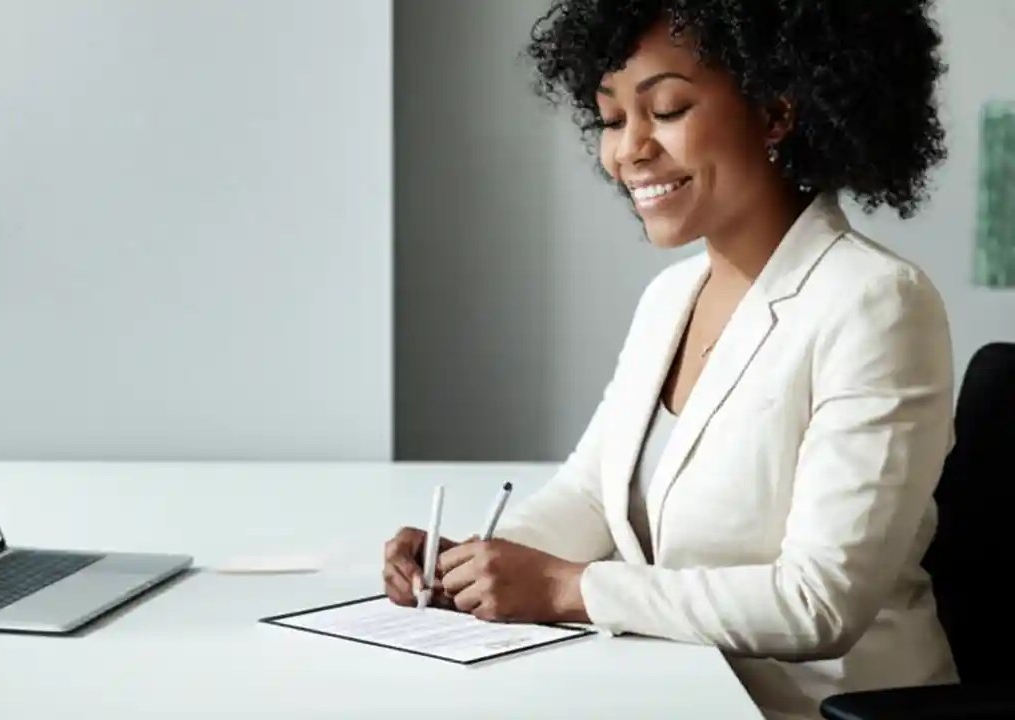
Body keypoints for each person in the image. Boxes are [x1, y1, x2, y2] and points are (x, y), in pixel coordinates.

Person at [382, 2, 955, 719]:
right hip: (678, 689)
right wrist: (470, 564)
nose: (628, 151)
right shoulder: (670, 297)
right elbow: (593, 495)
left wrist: (566, 588)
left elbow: (818, 602)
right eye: (612, 119)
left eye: (668, 110)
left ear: (776, 113)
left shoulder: (876, 303)